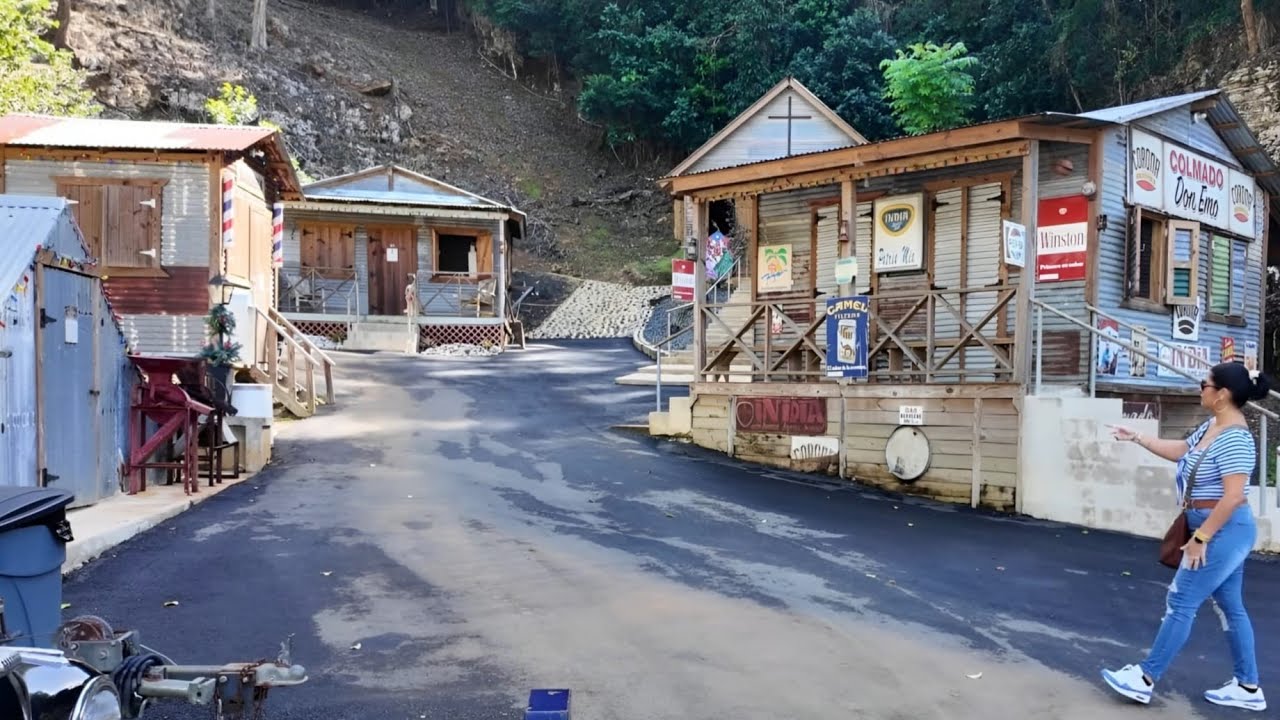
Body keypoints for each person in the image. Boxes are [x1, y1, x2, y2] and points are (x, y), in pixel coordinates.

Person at [1101, 362, 1269, 711]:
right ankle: (1248, 687)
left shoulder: (1236, 439)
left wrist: (1202, 537)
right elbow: (1181, 451)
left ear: (1222, 395)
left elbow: (1234, 496)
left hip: (1224, 531)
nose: (1200, 389)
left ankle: (1144, 679)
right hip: (1212, 527)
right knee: (1230, 606)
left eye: (1204, 385)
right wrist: (1136, 437)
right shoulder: (1212, 427)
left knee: (1181, 600)